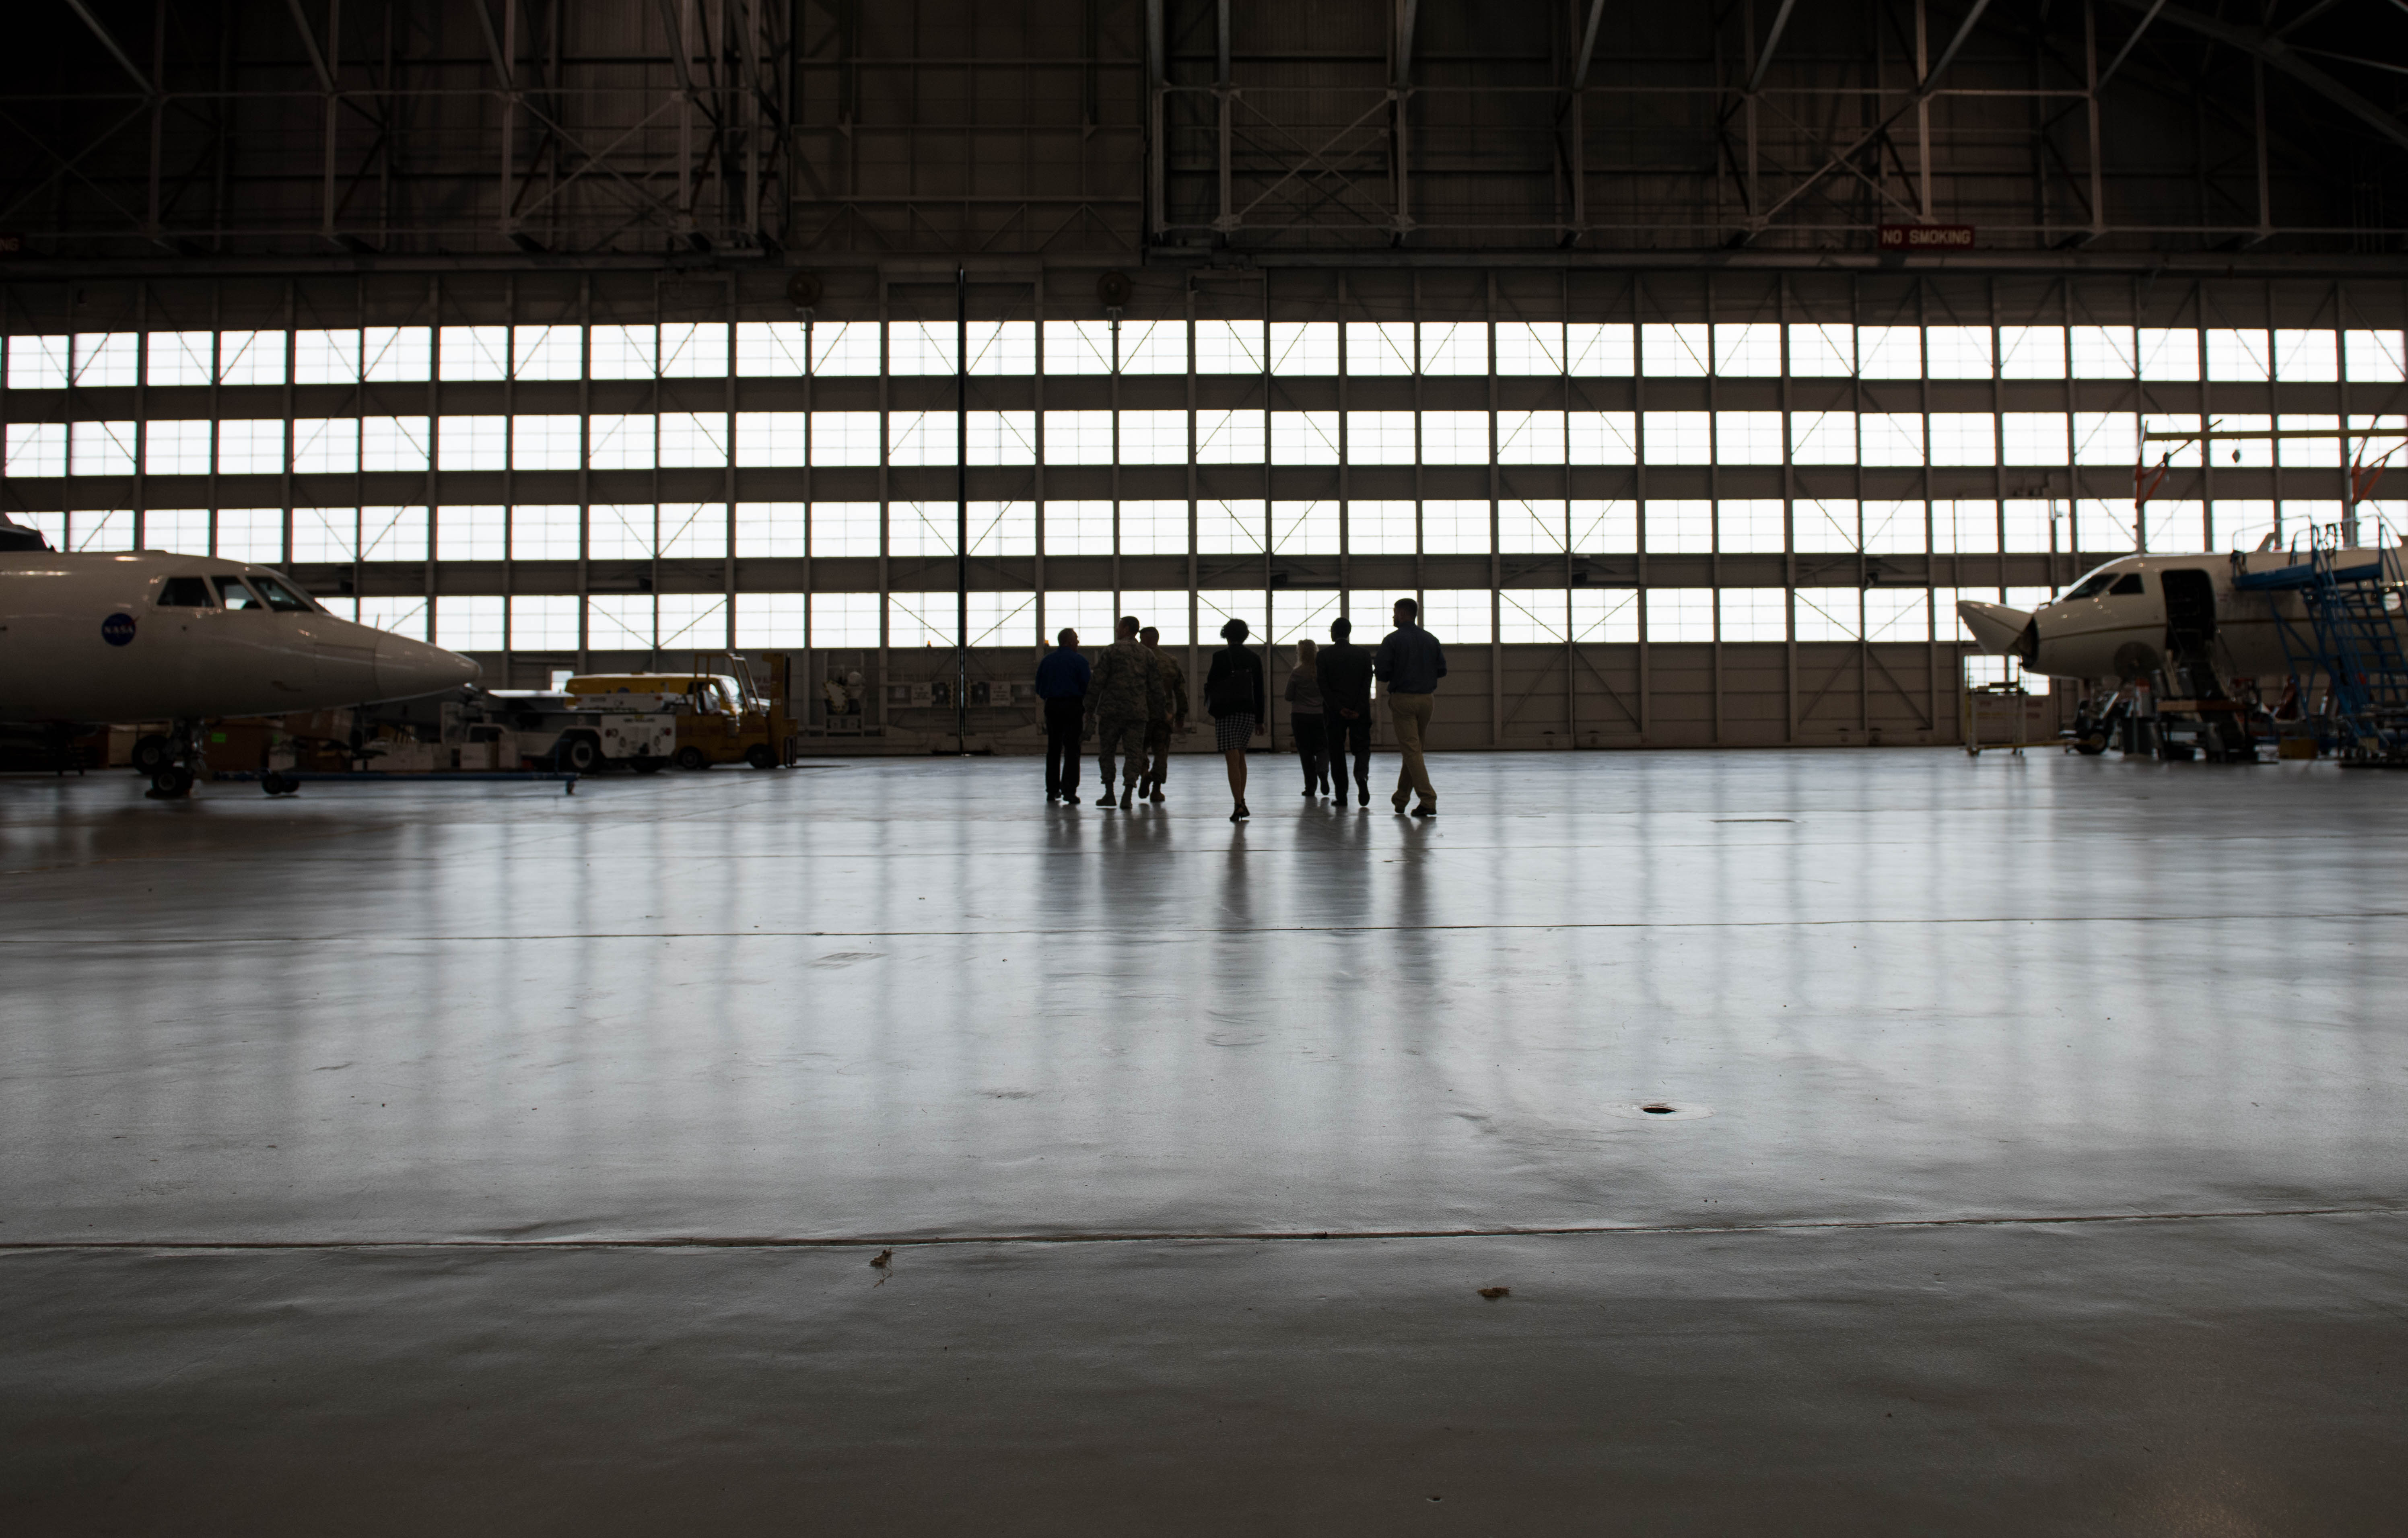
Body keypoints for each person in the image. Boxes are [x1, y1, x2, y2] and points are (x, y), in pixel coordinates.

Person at [1085, 614, 1168, 811]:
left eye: (1119, 627)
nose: (1117, 630)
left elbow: (1097, 682)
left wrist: (1089, 709)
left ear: (1126, 629)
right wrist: (1160, 713)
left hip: (1111, 712)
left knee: (1107, 752)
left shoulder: (1111, 651)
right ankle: (1128, 795)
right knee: (1134, 754)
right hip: (1137, 713)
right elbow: (1157, 687)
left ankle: (1109, 794)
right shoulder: (1147, 654)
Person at [1374, 597, 1445, 817]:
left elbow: (1383, 674)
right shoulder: (1431, 639)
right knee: (1413, 750)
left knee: (1412, 751)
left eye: (1395, 613)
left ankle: (1428, 799)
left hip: (1404, 700)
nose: (1393, 617)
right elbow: (1442, 670)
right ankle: (1401, 798)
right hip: (1427, 700)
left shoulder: (1392, 640)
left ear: (1403, 614)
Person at [1203, 617, 1267, 822]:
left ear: (1226, 634)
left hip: (1226, 713)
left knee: (1232, 759)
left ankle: (1238, 804)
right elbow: (1260, 690)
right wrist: (1260, 719)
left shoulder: (1220, 657)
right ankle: (1242, 800)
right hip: (1248, 712)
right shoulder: (1254, 658)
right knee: (1241, 757)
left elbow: (1211, 684)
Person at [1318, 616, 1375, 807]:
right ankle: (1362, 779)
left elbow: (1324, 687)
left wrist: (1338, 708)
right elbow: (1367, 685)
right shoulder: (1364, 655)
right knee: (1362, 748)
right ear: (1349, 632)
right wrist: (1358, 709)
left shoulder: (1324, 656)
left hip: (1335, 714)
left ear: (1334, 632)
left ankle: (1342, 796)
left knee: (1336, 752)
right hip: (1360, 712)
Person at [1035, 627, 1090, 802]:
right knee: (1073, 749)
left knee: (1054, 749)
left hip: (1052, 706)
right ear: (1069, 641)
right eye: (1076, 640)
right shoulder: (1079, 661)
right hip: (1073, 706)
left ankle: (1052, 790)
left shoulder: (1047, 661)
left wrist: (1050, 697)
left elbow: (1039, 686)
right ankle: (1069, 791)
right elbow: (1087, 685)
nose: (1078, 643)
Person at [1136, 625, 1189, 804]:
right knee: (1161, 752)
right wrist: (1181, 715)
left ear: (1149, 640)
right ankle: (1157, 791)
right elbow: (1180, 690)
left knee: (1138, 749)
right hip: (1164, 715)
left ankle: (1144, 773)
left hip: (1140, 714)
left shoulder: (1137, 661)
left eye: (1142, 640)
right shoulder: (1170, 661)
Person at [1285, 638, 1329, 799]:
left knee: (1306, 752)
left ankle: (1310, 787)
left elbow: (1288, 696)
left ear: (1300, 654)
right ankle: (1323, 770)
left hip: (1300, 717)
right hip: (1319, 715)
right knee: (1323, 747)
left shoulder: (1297, 673)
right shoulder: (1322, 672)